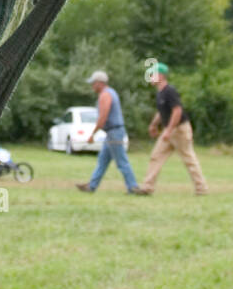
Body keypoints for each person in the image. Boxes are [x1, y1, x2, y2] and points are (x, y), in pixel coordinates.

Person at [142, 63, 208, 195]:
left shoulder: (169, 91)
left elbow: (177, 111)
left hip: (179, 130)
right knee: (156, 156)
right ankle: (147, 187)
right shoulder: (160, 93)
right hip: (170, 130)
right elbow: (162, 112)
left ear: (160, 76)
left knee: (188, 159)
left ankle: (201, 189)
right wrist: (154, 124)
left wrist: (169, 130)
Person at [75, 71, 146, 195]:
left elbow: (102, 117)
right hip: (112, 133)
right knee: (102, 161)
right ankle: (91, 186)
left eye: (93, 83)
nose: (92, 86)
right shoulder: (110, 92)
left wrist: (92, 134)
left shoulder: (105, 95)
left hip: (114, 132)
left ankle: (133, 187)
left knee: (121, 161)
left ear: (99, 83)